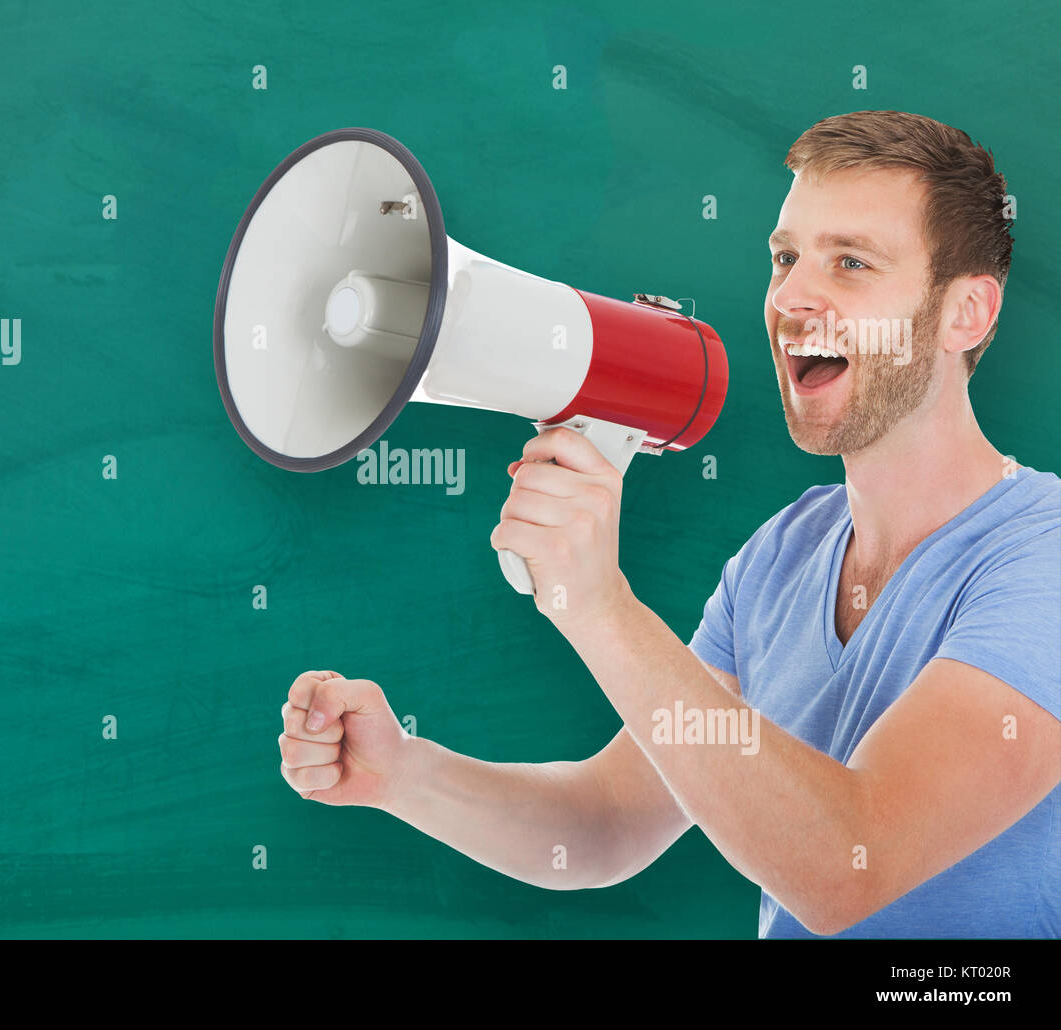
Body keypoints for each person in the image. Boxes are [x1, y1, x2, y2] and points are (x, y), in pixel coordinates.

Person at [277, 110, 1061, 938]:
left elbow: (847, 864)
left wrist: (599, 607)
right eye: (785, 257)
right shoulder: (779, 559)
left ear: (966, 313)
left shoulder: (1042, 559)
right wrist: (403, 774)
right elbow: (602, 825)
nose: (791, 297)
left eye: (852, 262)